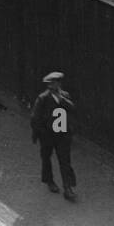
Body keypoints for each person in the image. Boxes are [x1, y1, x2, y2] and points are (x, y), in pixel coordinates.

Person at [30, 71, 77, 201]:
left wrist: (62, 100)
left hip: (62, 135)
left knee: (65, 162)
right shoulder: (43, 98)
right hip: (48, 135)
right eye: (51, 84)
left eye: (56, 84)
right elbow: (35, 117)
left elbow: (72, 108)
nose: (54, 86)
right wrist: (39, 132)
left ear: (59, 84)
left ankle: (68, 188)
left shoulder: (65, 96)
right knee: (46, 158)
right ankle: (49, 181)